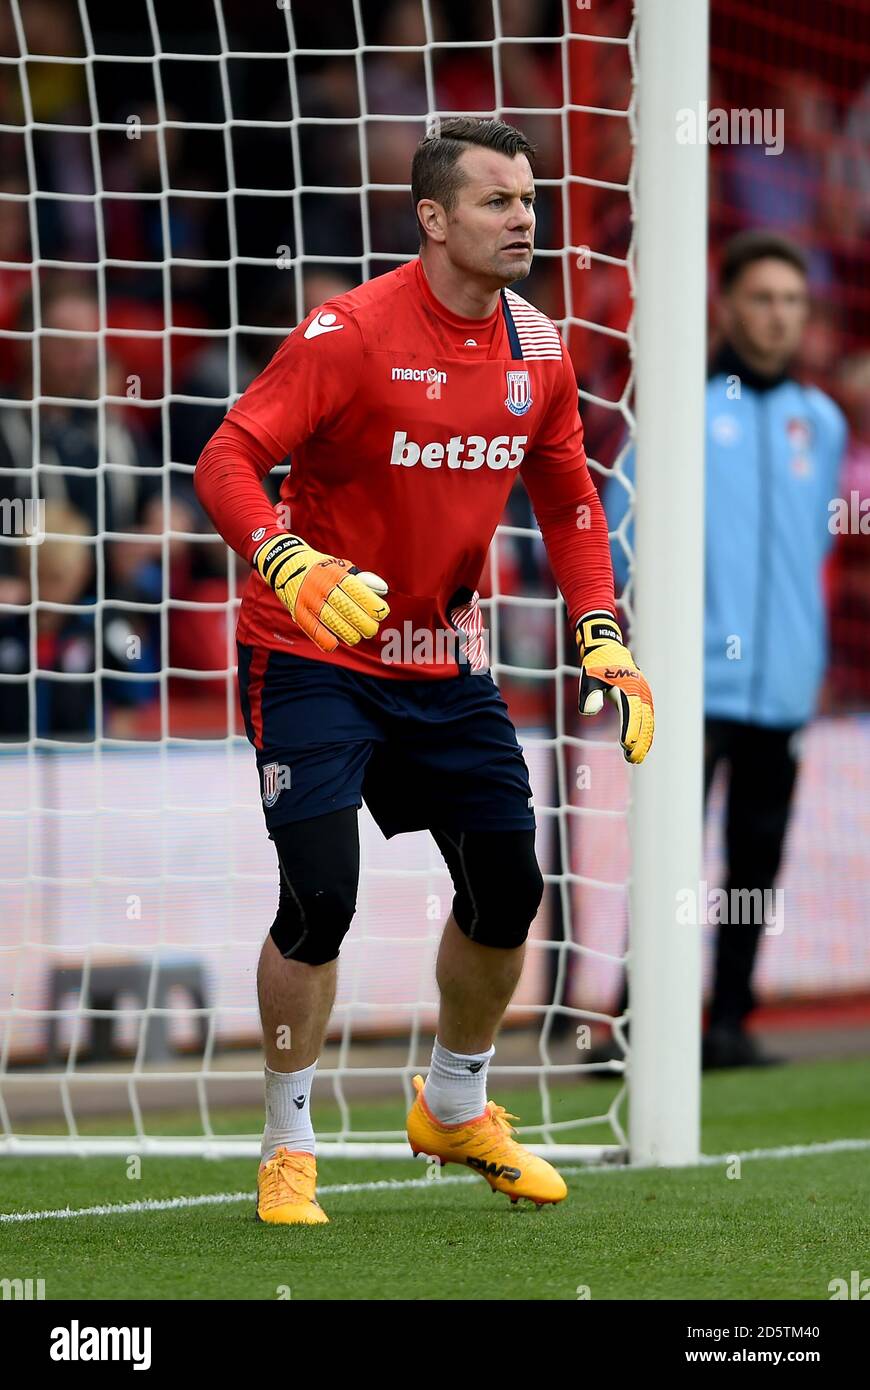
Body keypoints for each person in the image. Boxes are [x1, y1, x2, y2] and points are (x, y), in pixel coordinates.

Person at [195, 117, 654, 1225]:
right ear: (435, 218)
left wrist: (600, 624)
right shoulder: (348, 332)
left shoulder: (538, 347)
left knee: (510, 891)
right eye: (498, 201)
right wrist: (288, 556)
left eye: (531, 200)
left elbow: (570, 500)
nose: (524, 218)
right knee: (321, 898)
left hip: (442, 658)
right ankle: (288, 1139)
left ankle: (454, 1103)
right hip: (311, 650)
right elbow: (228, 456)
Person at [605, 231, 847, 1070]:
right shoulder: (680, 407)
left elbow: (814, 549)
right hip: (689, 678)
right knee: (669, 852)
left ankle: (730, 1022)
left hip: (781, 685)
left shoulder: (821, 420)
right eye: (762, 298)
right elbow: (617, 528)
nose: (778, 316)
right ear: (727, 305)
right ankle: (636, 1023)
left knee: (753, 863)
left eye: (792, 301)